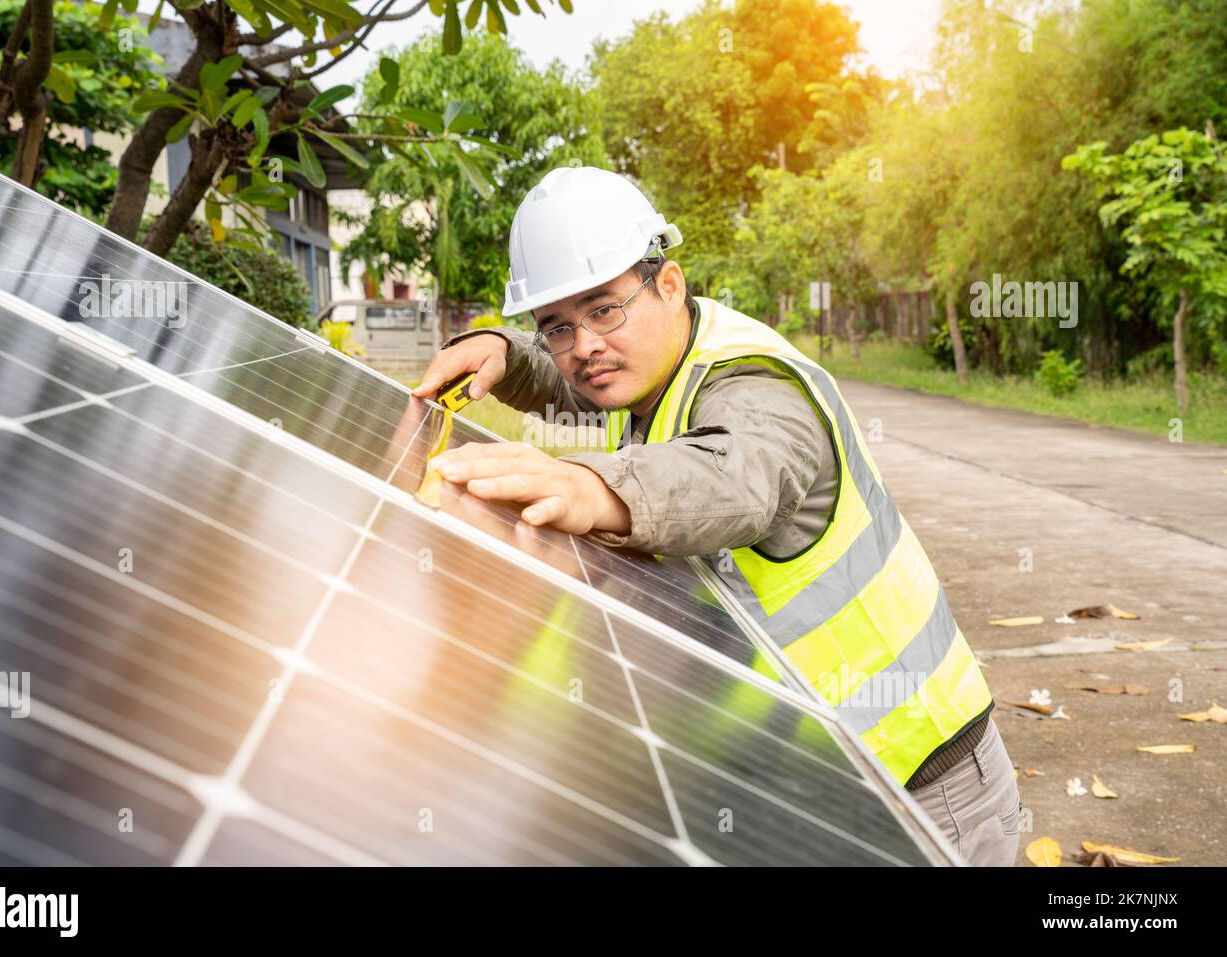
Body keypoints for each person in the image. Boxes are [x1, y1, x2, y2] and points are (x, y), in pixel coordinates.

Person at [414, 166, 1021, 866]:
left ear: (668, 285)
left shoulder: (758, 386)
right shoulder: (646, 375)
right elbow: (576, 380)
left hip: (923, 777)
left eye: (604, 309)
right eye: (555, 325)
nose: (583, 345)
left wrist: (593, 487)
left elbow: (736, 476)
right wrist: (506, 352)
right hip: (822, 777)